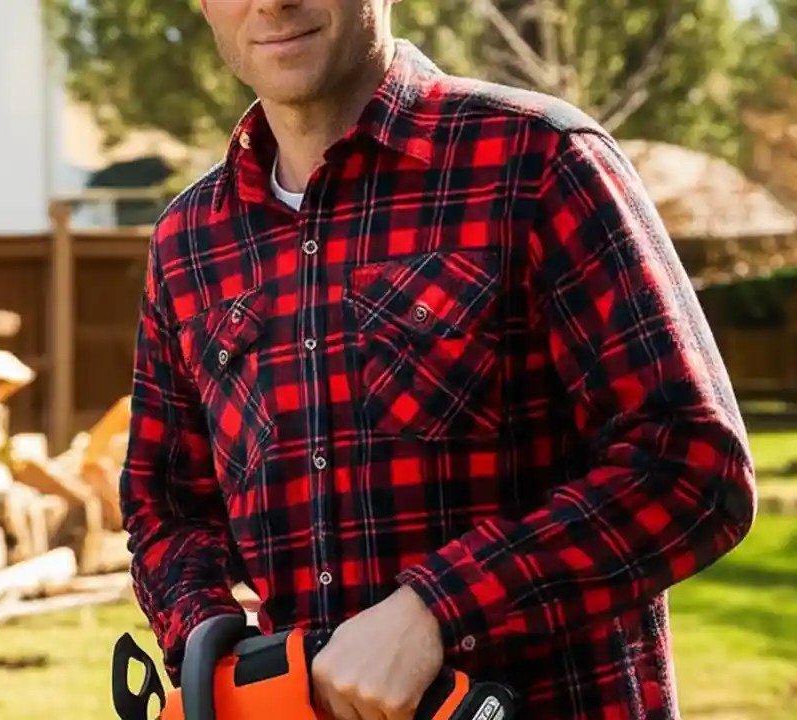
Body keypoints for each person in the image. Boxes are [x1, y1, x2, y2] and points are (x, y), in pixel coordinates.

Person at [118, 1, 757, 718]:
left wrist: (435, 610)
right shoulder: (190, 241)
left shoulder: (541, 160)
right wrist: (211, 644)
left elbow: (692, 466)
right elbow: (164, 502)